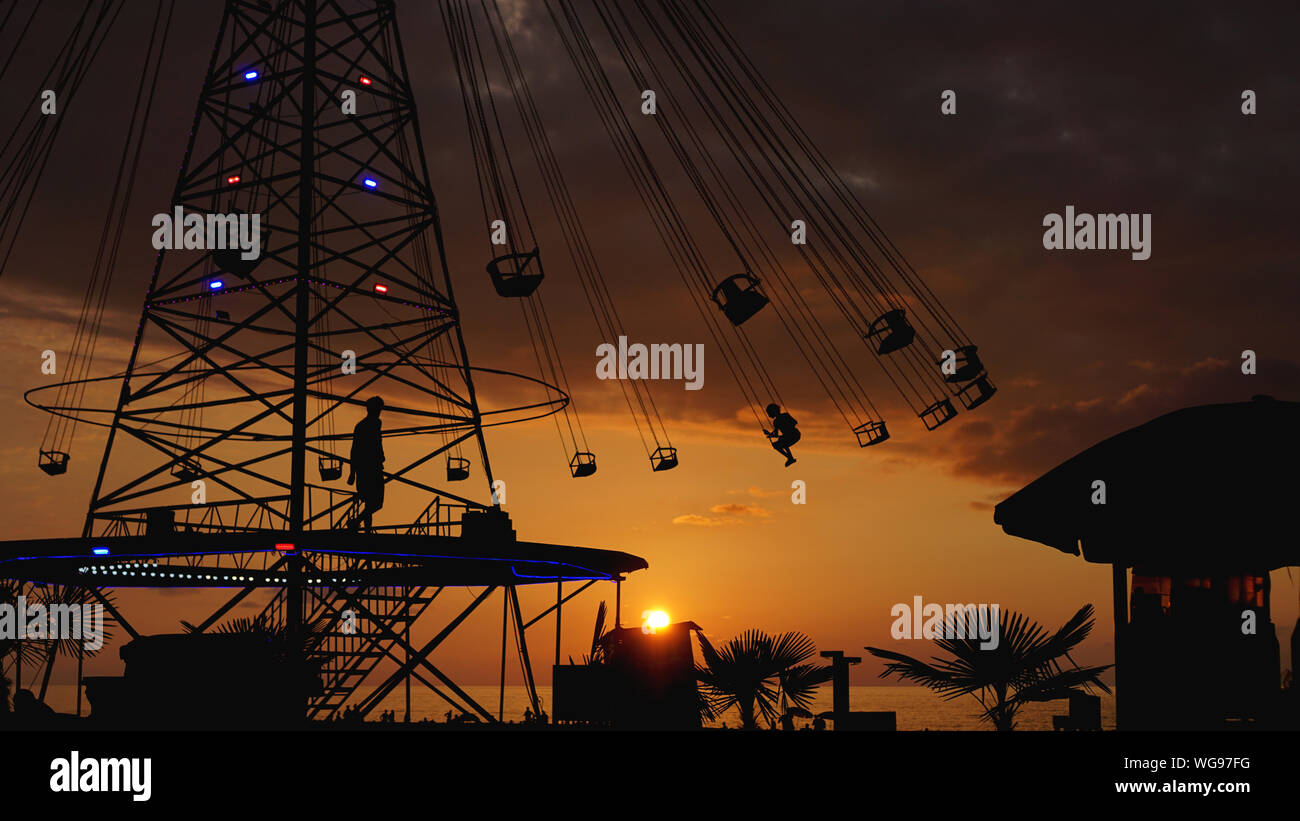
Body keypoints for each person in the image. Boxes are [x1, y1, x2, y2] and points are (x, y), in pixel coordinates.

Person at [348, 396, 386, 531]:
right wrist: (352, 472)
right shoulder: (373, 424)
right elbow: (356, 449)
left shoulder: (363, 425)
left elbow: (354, 450)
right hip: (370, 468)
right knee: (375, 503)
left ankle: (366, 528)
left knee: (370, 502)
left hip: (365, 468)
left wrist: (353, 472)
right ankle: (358, 523)